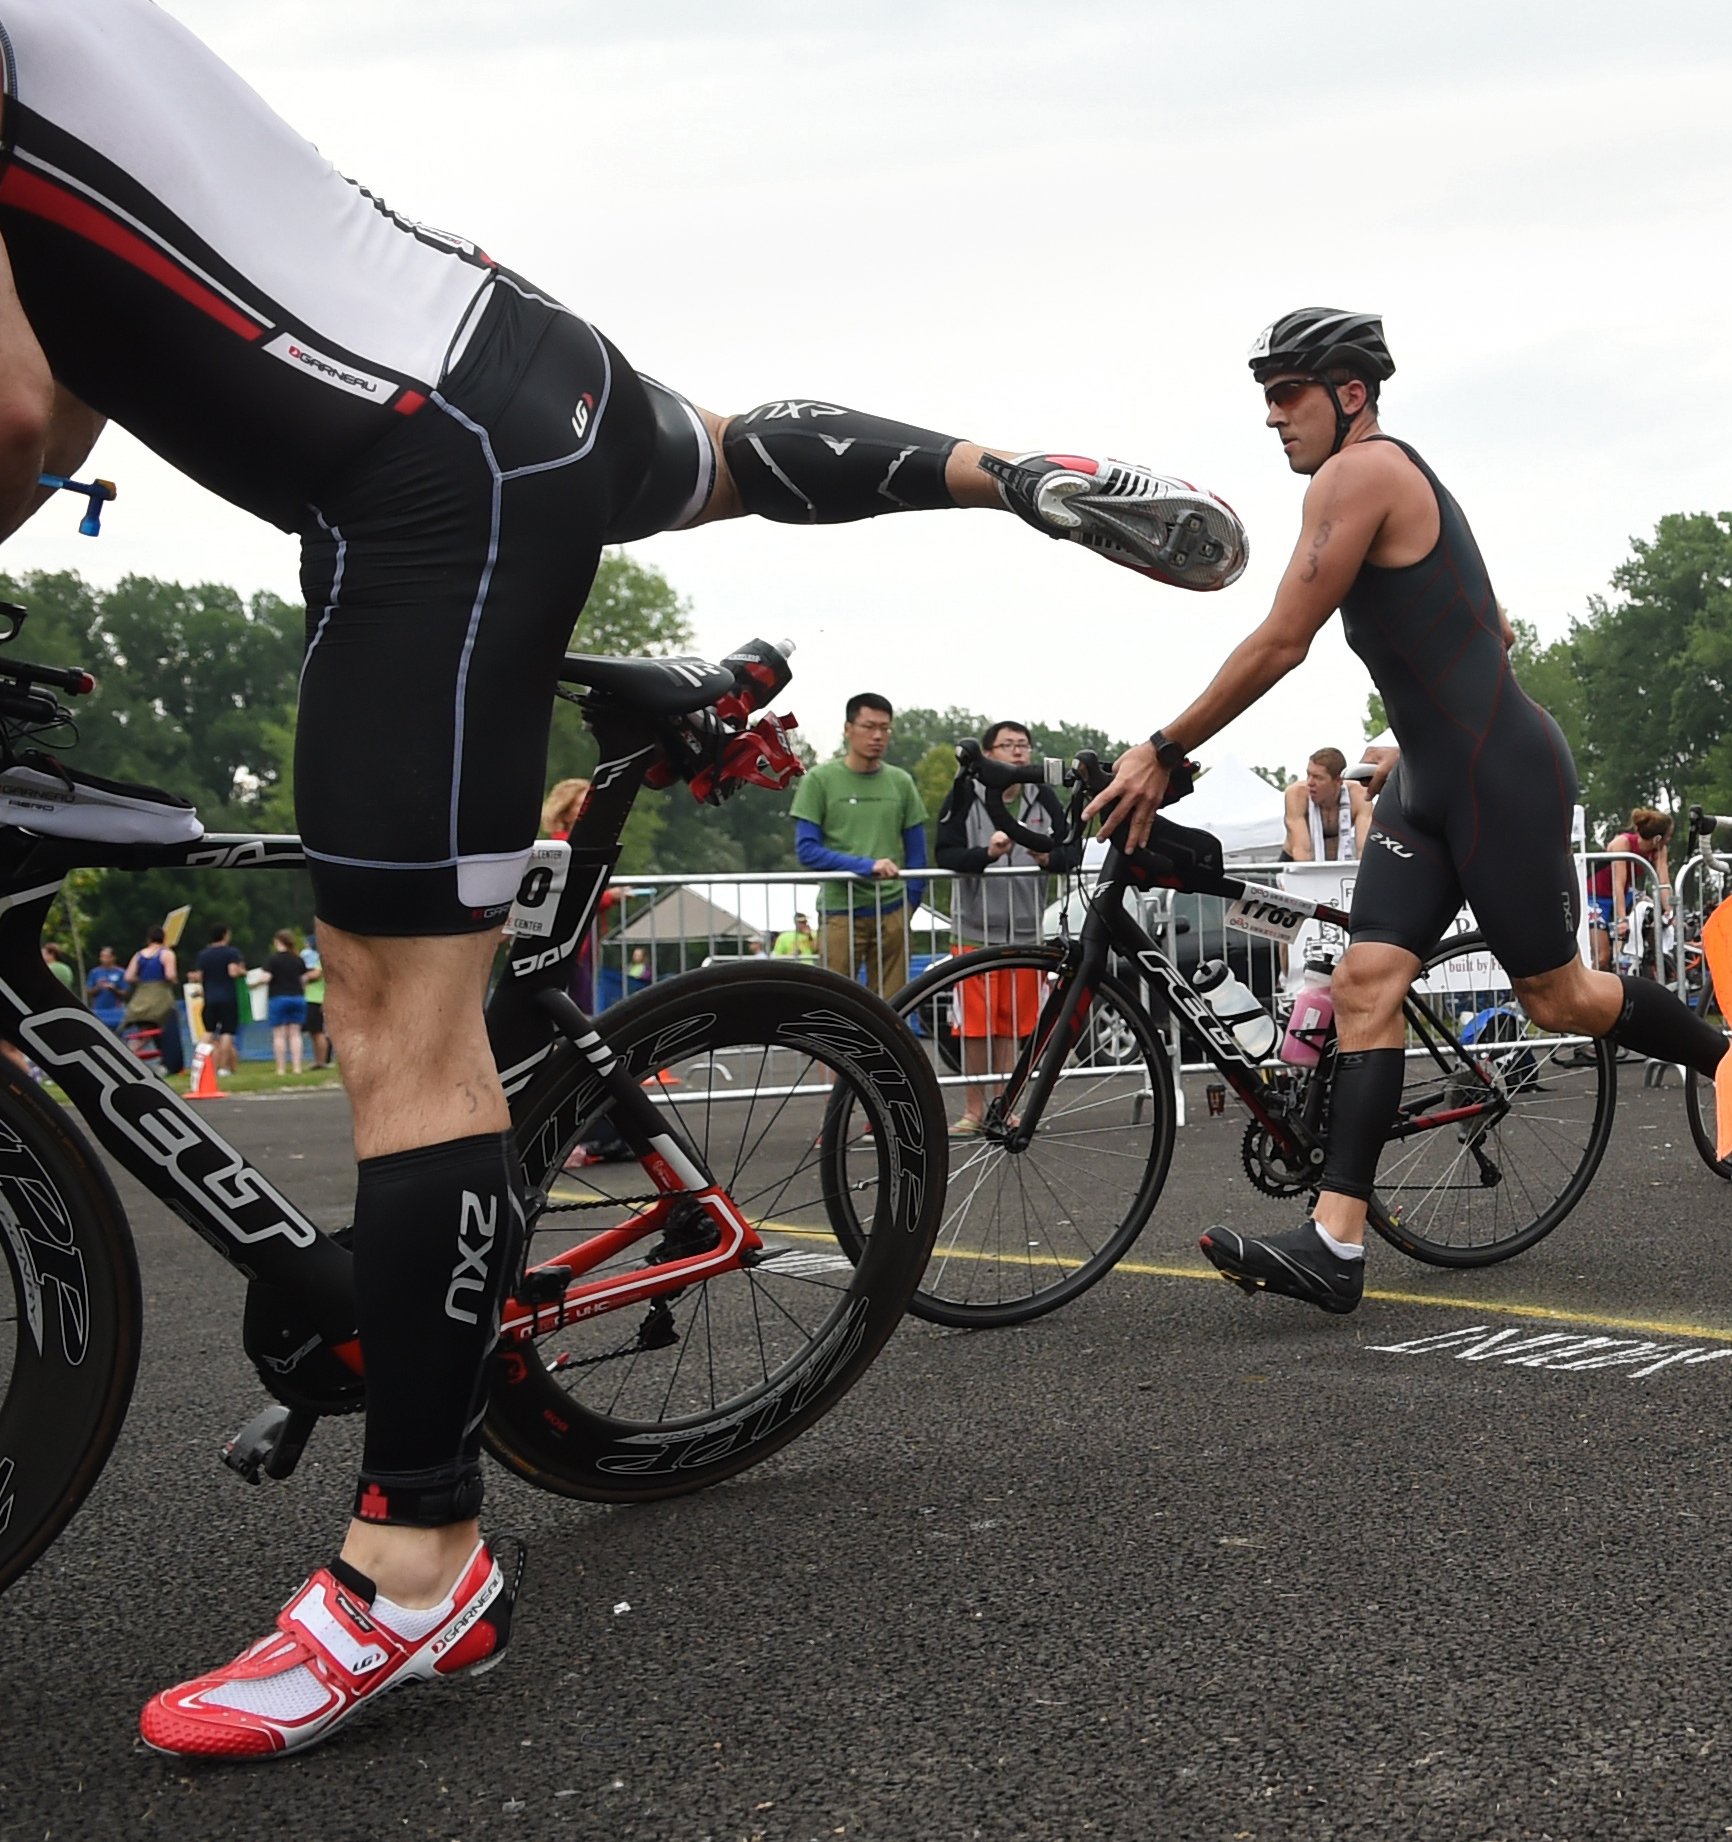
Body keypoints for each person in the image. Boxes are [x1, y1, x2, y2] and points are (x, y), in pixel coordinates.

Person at [0, 0, 1248, 1758]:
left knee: (395, 1026)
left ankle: (416, 1566)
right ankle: (994, 469)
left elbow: (12, 409)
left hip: (420, 469)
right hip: (522, 352)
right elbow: (63, 372)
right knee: (724, 453)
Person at [1087, 307, 1732, 1317]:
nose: (1274, 417)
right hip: (1424, 784)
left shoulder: (1363, 471)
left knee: (1558, 1000)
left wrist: (1165, 748)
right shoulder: (1374, 482)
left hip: (1498, 775)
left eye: (1288, 395)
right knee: (1369, 982)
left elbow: (1285, 639)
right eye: (1267, 399)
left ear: (1350, 395)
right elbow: (1482, 622)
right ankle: (1336, 1246)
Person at [935, 719, 1083, 1134]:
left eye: (1023, 745)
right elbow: (945, 853)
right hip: (974, 930)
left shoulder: (1042, 794)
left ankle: (1005, 1106)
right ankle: (973, 1111)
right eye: (1007, 745)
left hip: (1024, 931)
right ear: (988, 754)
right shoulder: (966, 792)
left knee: (1012, 1026)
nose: (1018, 752)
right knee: (976, 1028)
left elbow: (1071, 849)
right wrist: (985, 853)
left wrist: (1048, 858)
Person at [792, 694, 930, 996]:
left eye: (885, 728)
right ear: (848, 729)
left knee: (894, 1005)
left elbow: (918, 853)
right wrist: (866, 867)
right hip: (841, 910)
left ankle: (884, 1047)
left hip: (893, 909)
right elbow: (807, 850)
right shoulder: (819, 780)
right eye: (869, 726)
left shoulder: (901, 781)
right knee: (835, 1002)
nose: (878, 735)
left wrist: (910, 904)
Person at [1594, 809, 1671, 974]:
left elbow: (1663, 882)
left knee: (1652, 911)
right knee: (1602, 958)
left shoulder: (1659, 849)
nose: (1669, 840)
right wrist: (1622, 919)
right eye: (1668, 836)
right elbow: (1618, 883)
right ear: (1657, 838)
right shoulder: (1623, 843)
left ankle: (1657, 965)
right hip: (1596, 895)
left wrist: (1670, 911)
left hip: (1626, 892)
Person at [1282, 746, 1373, 863]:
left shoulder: (1359, 795)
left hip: (1337, 862)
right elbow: (1302, 851)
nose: (1309, 783)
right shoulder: (1296, 794)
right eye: (1308, 774)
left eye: (1318, 778)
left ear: (1339, 781)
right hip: (1296, 860)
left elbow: (1363, 849)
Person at [124, 925, 183, 1074]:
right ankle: (169, 1064)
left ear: (149, 939)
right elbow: (170, 975)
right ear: (163, 939)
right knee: (166, 1028)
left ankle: (127, 1055)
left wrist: (142, 981)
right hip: (160, 998)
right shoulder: (166, 953)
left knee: (145, 1033)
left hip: (141, 1001)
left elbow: (128, 976)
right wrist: (174, 981)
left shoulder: (139, 955)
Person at [194, 922, 245, 1075]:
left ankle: (199, 1063)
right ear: (225, 935)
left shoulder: (203, 954)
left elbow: (199, 976)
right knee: (226, 1033)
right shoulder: (231, 952)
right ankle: (223, 1068)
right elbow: (232, 972)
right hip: (227, 997)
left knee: (208, 1031)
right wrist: (243, 971)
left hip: (210, 997)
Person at [262, 928, 311, 1075]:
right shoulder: (298, 959)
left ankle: (281, 1068)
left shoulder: (273, 959)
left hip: (278, 997)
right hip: (297, 997)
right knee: (295, 1034)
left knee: (279, 1034)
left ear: (277, 942)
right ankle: (297, 1067)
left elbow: (266, 978)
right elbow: (304, 978)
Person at [85, 944, 127, 1030]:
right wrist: (98, 987)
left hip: (115, 1011)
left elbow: (125, 993)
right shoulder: (95, 972)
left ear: (113, 958)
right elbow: (89, 991)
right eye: (102, 956)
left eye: (106, 957)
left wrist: (113, 989)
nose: (103, 959)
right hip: (98, 1010)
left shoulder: (120, 972)